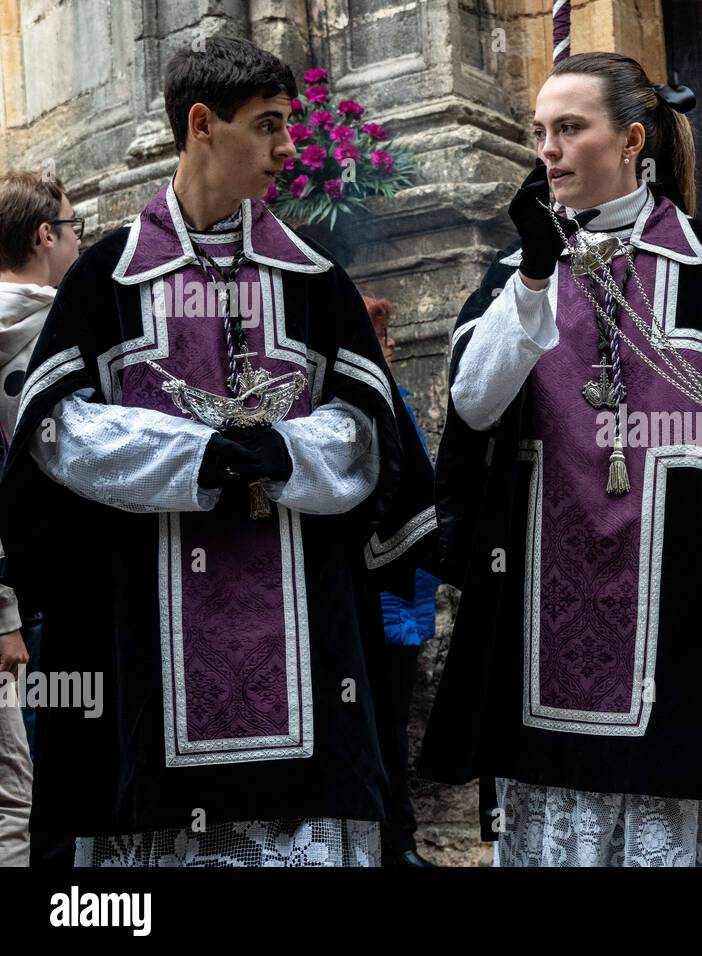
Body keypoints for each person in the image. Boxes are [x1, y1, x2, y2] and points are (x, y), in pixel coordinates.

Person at [419, 51, 702, 866]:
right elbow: (475, 403)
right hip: (540, 579)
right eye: (539, 133)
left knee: (674, 791)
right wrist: (530, 274)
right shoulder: (517, 270)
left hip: (682, 576)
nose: (547, 150)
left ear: (632, 139)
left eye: (569, 129)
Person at [0, 36, 437, 867]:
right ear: (202, 125)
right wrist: (195, 457)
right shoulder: (107, 277)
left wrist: (283, 451)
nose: (287, 148)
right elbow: (55, 430)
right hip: (143, 628)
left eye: (291, 126)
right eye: (268, 125)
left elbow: (367, 433)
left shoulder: (313, 280)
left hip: (303, 627)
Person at [0, 169, 82, 866]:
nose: (81, 241)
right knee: (24, 798)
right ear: (44, 234)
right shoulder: (42, 328)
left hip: (33, 599)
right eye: (75, 227)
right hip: (30, 607)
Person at [362, 293, 440, 868]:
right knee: (375, 720)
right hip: (371, 587)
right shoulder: (365, 401)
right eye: (379, 339)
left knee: (392, 716)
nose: (389, 346)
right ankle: (392, 840)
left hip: (405, 594)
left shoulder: (399, 399)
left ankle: (399, 837)